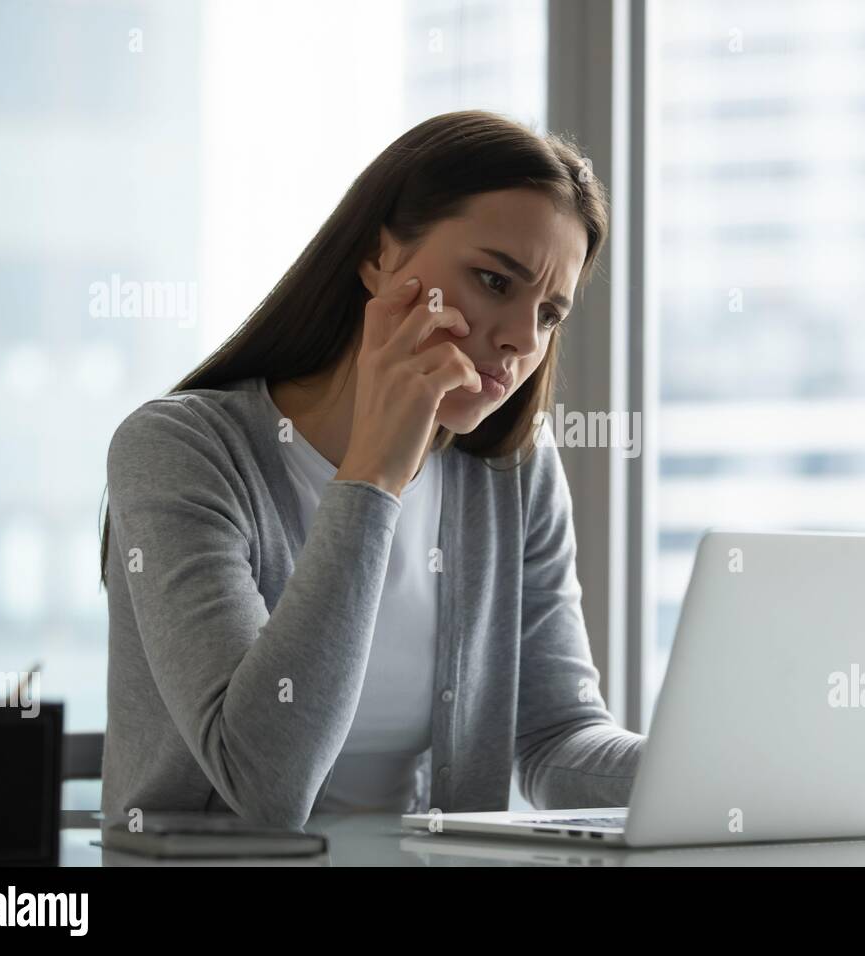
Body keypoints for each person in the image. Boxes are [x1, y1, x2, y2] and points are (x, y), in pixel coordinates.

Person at [98, 110, 645, 829]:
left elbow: (555, 738)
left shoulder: (515, 475)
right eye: (492, 279)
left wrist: (720, 768)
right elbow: (263, 782)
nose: (519, 339)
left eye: (548, 314)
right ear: (380, 256)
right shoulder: (179, 451)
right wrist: (372, 479)